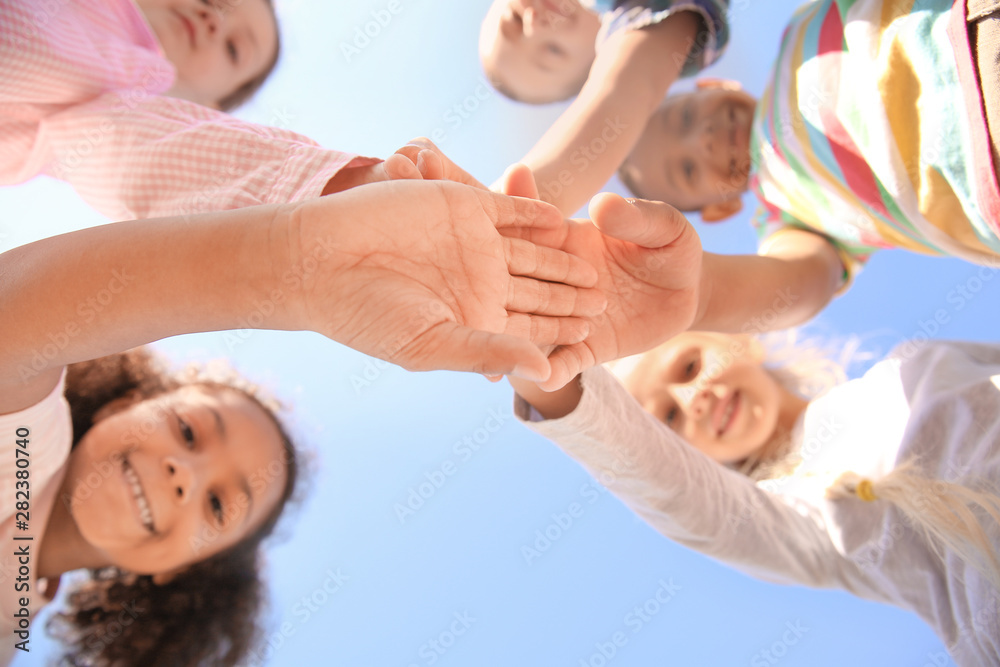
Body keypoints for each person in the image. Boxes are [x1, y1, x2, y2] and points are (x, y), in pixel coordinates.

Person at [0, 177, 603, 664]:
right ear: (121, 405)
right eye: (187, 430)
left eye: (216, 506)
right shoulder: (27, 434)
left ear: (176, 570)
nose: (185, 473)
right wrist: (295, 263)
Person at [508, 331, 1000, 664]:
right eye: (669, 421)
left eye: (689, 365)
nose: (691, 398)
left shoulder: (913, 364)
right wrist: (535, 356)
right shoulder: (793, 512)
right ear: (682, 457)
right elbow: (675, 490)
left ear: (736, 340)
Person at [618, 0, 1000, 328]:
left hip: (972, 33)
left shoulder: (800, 31)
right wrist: (699, 301)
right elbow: (797, 280)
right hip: (988, 193)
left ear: (713, 85)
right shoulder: (783, 212)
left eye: (685, 118)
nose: (700, 141)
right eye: (688, 169)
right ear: (721, 208)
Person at [0, 0, 472, 221]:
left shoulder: (101, 126)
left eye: (232, 48)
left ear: (206, 109)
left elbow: (157, 161)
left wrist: (341, 198)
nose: (213, 16)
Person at [478, 0, 729, 216]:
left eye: (516, 19)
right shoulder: (639, 13)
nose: (535, 26)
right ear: (605, 58)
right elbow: (622, 94)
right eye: (554, 50)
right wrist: (508, 212)